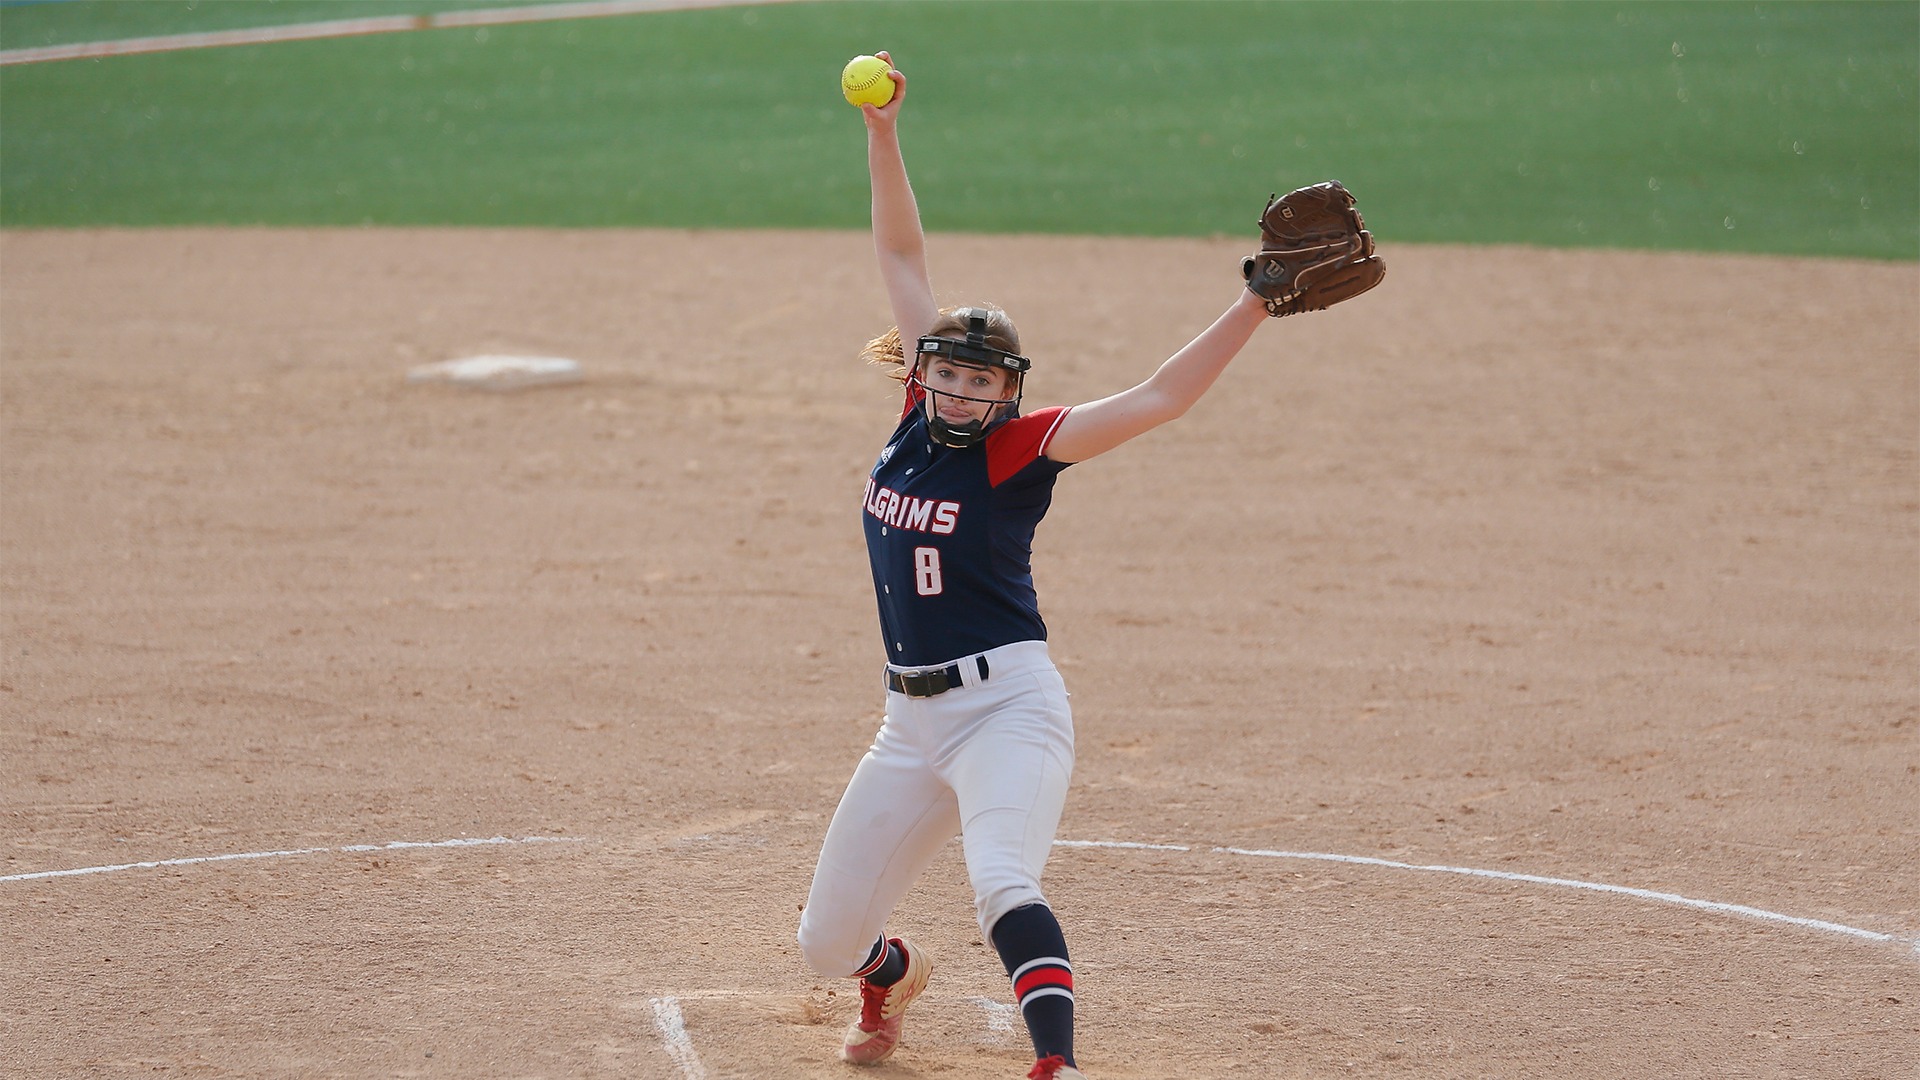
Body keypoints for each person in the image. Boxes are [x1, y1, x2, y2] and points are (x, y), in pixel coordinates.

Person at [796, 51, 1279, 1080]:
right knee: (823, 945)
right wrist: (882, 132)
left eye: (982, 380)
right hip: (906, 721)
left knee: (1002, 879)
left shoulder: (1023, 450)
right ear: (921, 372)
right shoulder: (909, 426)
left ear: (1006, 394)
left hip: (1006, 708)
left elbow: (1157, 398)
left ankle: (1054, 1064)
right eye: (948, 372)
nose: (962, 391)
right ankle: (891, 976)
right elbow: (901, 247)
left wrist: (1254, 304)